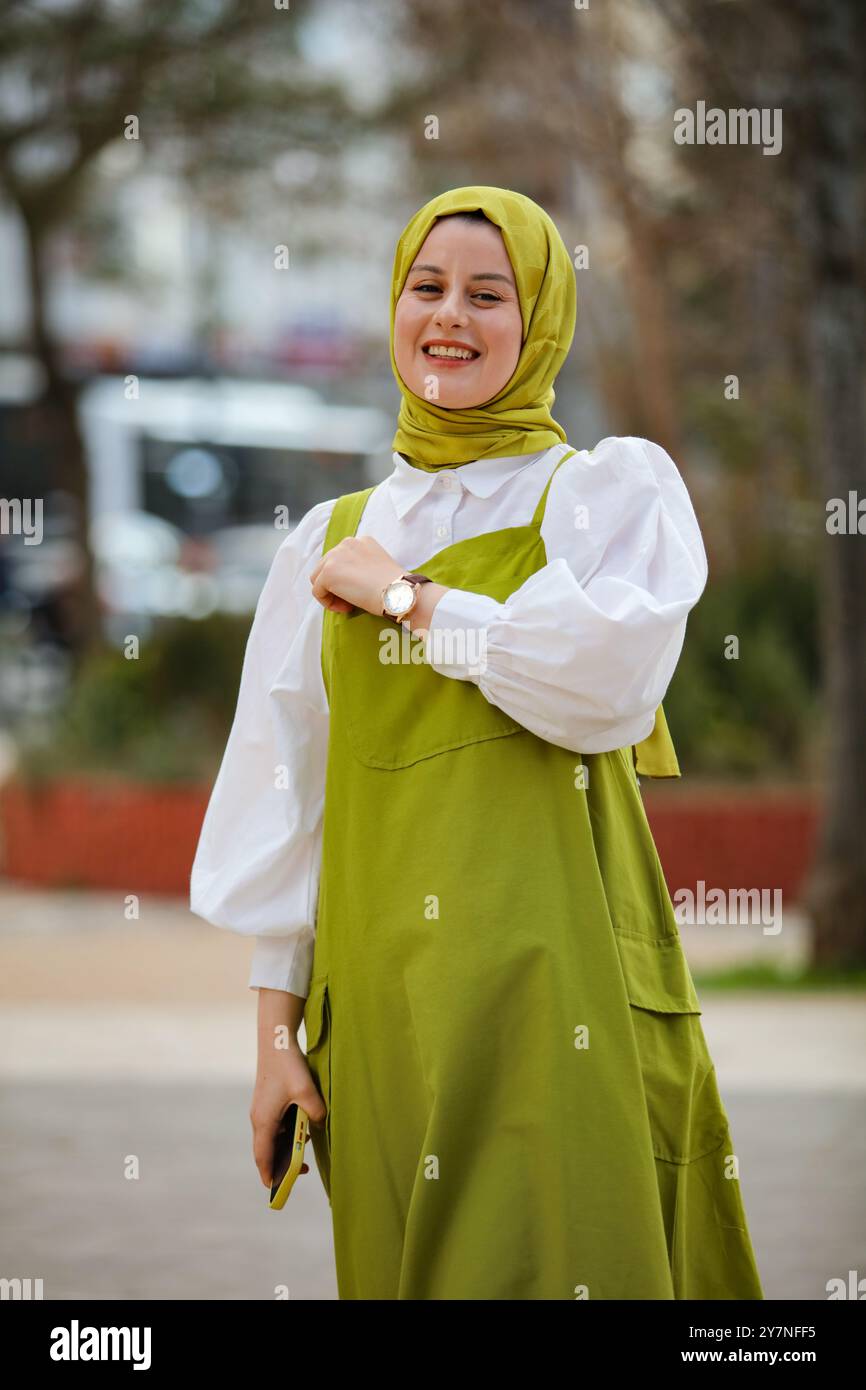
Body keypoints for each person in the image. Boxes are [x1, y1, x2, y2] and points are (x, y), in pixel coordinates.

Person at [190, 184, 764, 1300]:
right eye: (426, 286)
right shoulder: (325, 537)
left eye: (487, 295)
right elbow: (284, 798)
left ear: (538, 321)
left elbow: (596, 688)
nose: (449, 315)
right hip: (385, 1020)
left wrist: (409, 599)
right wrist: (274, 1038)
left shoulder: (599, 497)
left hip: (562, 1000)